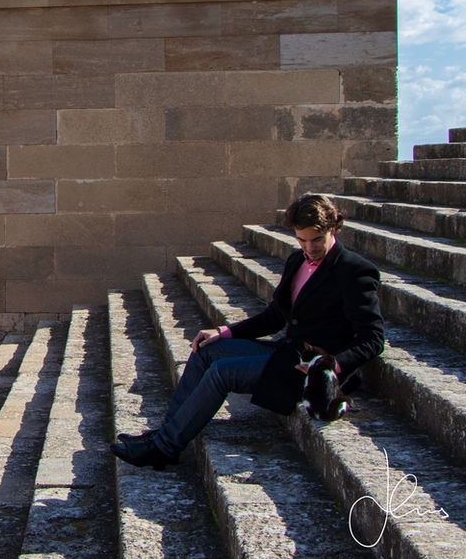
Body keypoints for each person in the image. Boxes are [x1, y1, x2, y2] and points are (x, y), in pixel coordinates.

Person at [111, 193, 385, 469]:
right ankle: (164, 434)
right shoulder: (297, 261)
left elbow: (372, 339)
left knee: (223, 372)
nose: (309, 248)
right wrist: (224, 332)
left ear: (333, 229)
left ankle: (164, 448)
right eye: (302, 240)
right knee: (206, 350)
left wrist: (328, 366)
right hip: (286, 352)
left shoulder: (355, 271)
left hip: (310, 371)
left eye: (316, 240)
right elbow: (274, 317)